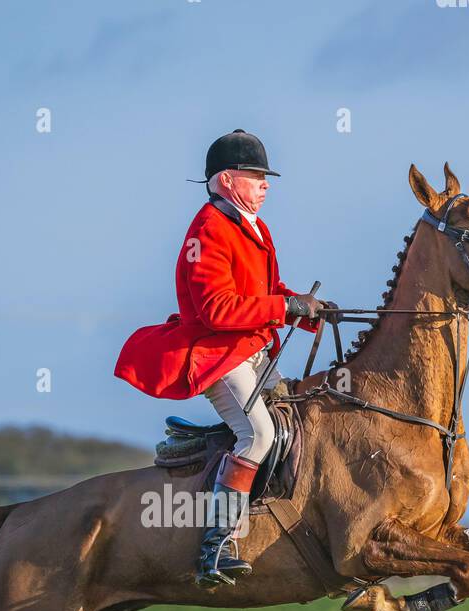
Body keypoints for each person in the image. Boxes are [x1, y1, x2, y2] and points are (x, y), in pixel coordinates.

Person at [114, 129, 330, 587]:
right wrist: (285, 308)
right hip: (218, 355)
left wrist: (305, 310)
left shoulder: (255, 226)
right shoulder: (208, 230)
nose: (266, 183)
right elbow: (218, 310)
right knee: (259, 433)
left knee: (300, 417)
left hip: (251, 351)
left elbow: (266, 294)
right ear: (228, 180)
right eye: (256, 176)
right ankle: (218, 543)